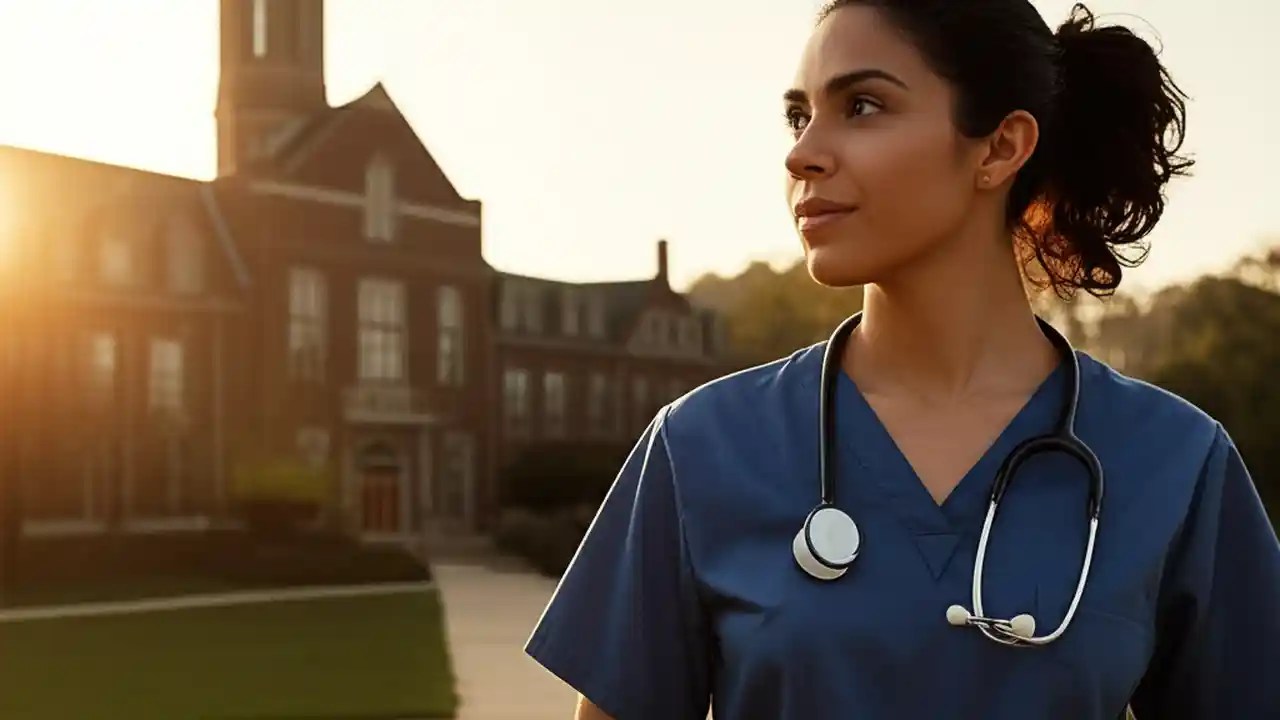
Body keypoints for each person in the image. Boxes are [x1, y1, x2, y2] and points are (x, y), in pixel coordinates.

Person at [524, 1, 1280, 718]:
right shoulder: (700, 449)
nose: (803, 153)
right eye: (799, 114)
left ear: (1000, 147)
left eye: (861, 107)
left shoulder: (1174, 462)